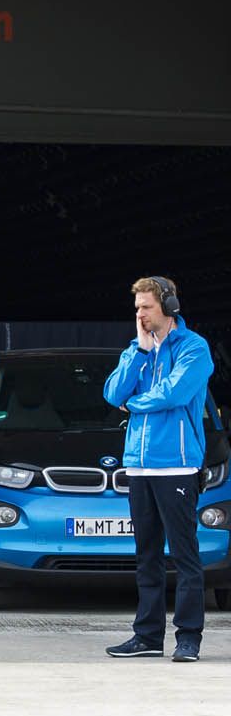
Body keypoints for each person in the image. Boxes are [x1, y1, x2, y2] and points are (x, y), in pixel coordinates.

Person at [102, 276, 213, 663]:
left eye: (146, 307)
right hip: (139, 467)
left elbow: (175, 393)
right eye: (137, 308)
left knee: (184, 555)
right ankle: (147, 635)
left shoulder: (194, 348)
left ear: (168, 305)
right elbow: (112, 393)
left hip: (177, 467)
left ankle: (188, 638)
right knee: (146, 555)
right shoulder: (139, 348)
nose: (140, 314)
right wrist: (139, 351)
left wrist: (134, 405)